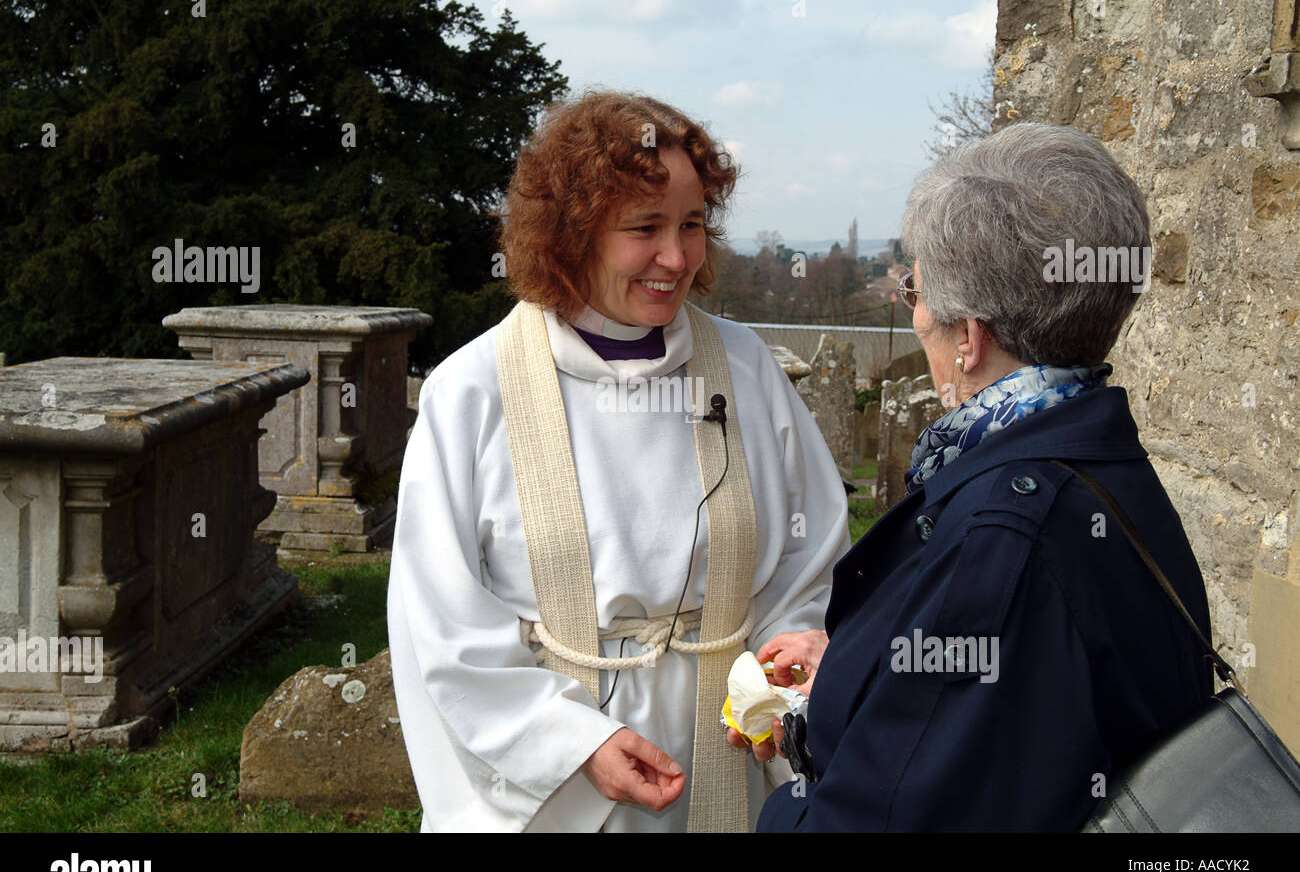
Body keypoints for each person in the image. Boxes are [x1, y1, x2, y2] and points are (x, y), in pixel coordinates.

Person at [387, 90, 849, 832]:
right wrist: (572, 745)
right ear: (572, 234)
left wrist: (784, 664)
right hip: (563, 766)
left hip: (728, 746)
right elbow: (438, 618)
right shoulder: (474, 392)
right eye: (645, 228)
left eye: (692, 225)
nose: (677, 257)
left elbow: (811, 554)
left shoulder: (744, 368)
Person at [757, 122, 1214, 831]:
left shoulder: (1001, 539)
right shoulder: (1097, 461)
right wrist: (858, 667)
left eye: (914, 290)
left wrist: (785, 801)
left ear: (968, 337)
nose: (913, 313)